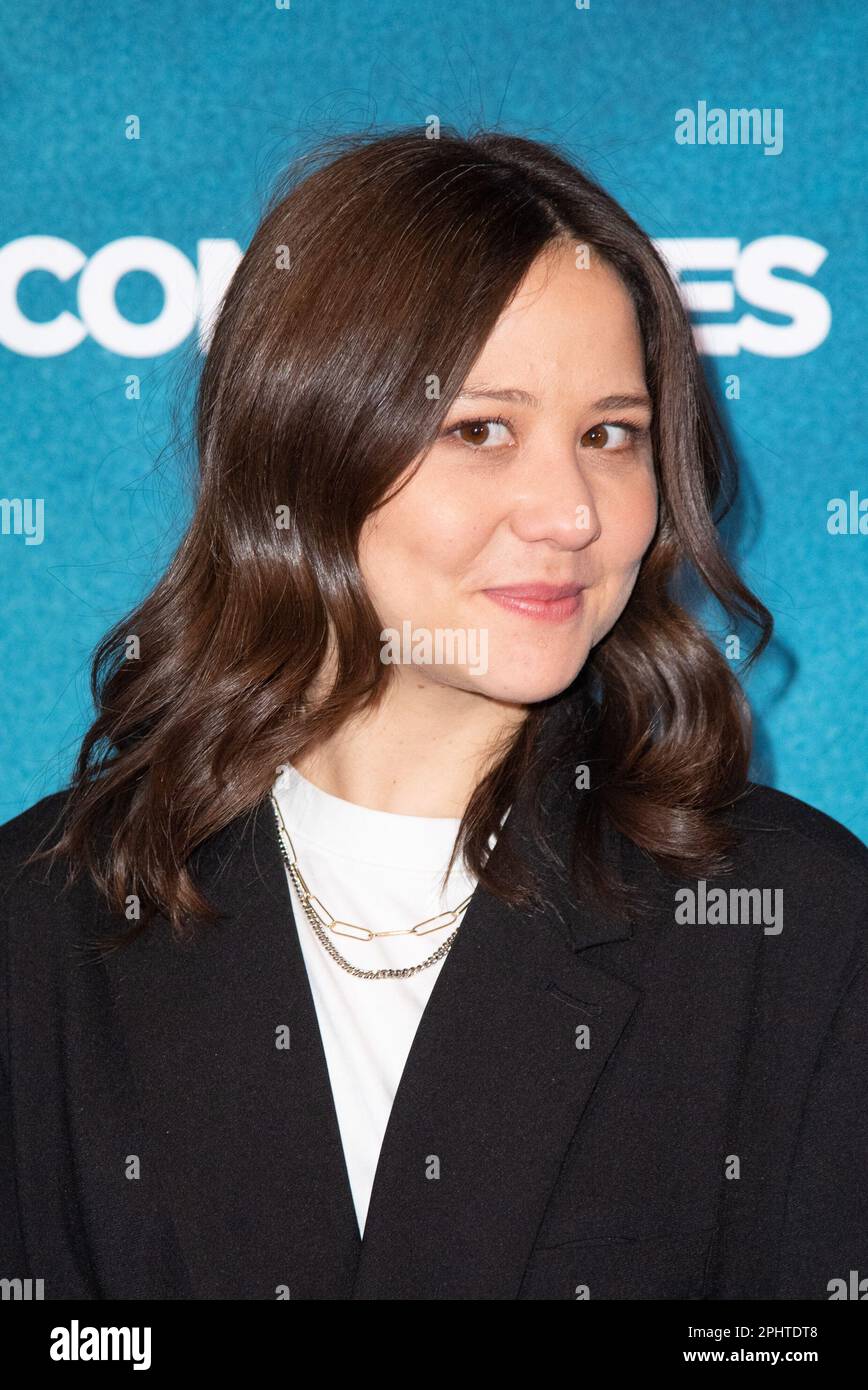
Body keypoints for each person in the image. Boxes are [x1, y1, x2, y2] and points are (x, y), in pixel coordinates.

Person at [1, 126, 866, 1301]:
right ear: (301, 449)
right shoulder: (44, 926)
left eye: (610, 435)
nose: (569, 511)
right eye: (478, 430)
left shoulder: (789, 921)